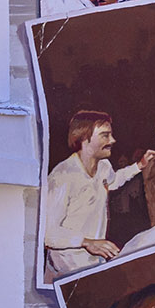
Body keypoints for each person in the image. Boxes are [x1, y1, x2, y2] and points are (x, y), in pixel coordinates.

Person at [43, 111, 142, 279]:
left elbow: (112, 182)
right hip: (65, 270)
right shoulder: (62, 176)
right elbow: (48, 233)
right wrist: (87, 242)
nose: (112, 140)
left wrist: (138, 166)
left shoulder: (104, 166)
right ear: (83, 138)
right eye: (105, 135)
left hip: (94, 264)